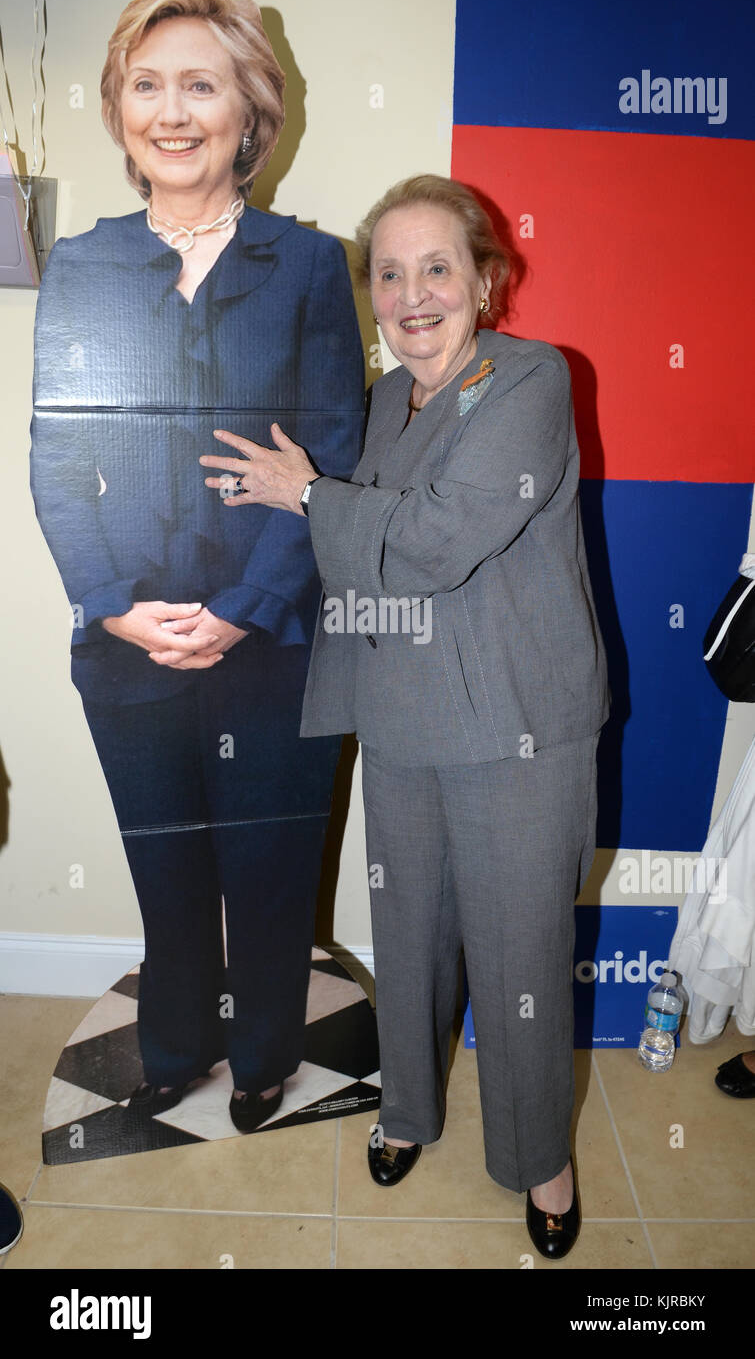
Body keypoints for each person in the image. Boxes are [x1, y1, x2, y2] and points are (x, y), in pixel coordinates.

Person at [200, 173, 609, 1257]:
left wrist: (306, 496)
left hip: (515, 727)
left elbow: (430, 540)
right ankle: (408, 1109)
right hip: (402, 717)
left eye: (437, 266)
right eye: (389, 272)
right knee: (411, 938)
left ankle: (540, 1164)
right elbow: (351, 551)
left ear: (484, 277)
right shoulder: (385, 400)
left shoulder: (527, 379)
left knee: (518, 958)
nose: (412, 293)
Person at [29, 0, 363, 1133]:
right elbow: (55, 459)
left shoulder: (310, 265)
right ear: (121, 108)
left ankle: (266, 1051)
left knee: (269, 876)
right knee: (167, 877)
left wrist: (244, 606)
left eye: (201, 84)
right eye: (147, 84)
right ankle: (173, 1044)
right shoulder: (81, 265)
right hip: (124, 645)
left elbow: (330, 448)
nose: (172, 111)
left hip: (270, 641)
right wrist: (114, 603)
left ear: (248, 110)